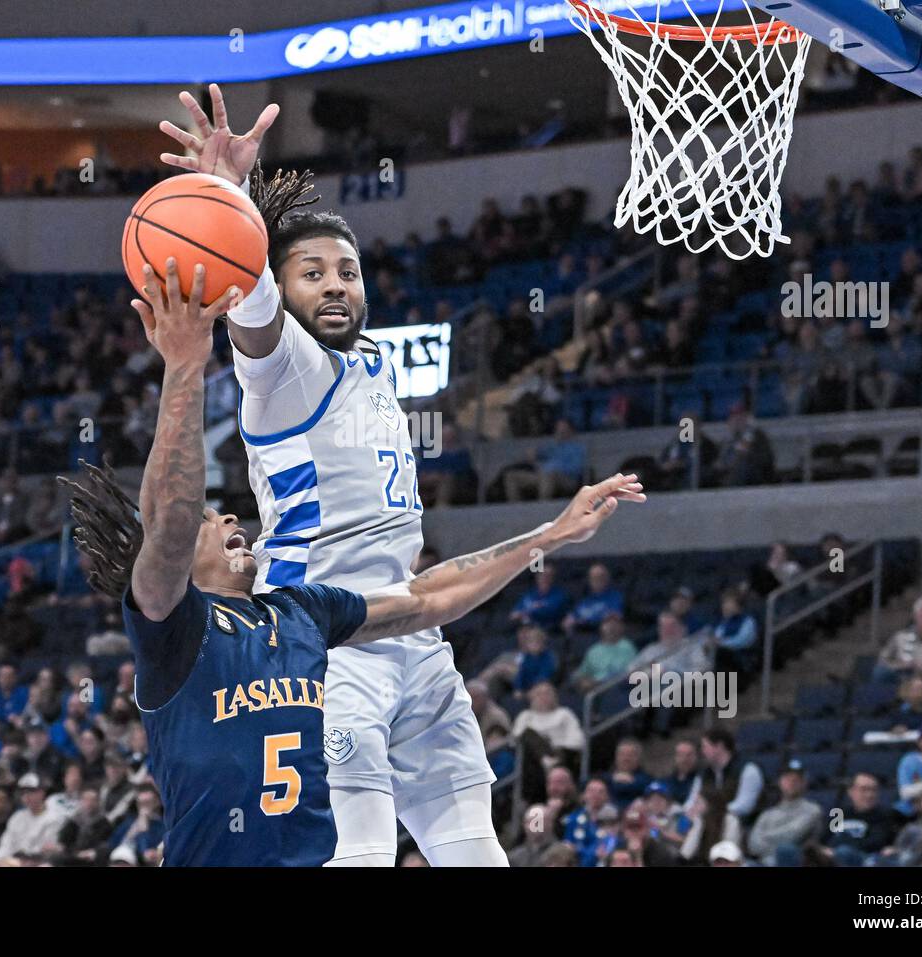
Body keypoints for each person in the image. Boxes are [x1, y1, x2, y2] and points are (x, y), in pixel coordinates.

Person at [152, 84, 646, 867]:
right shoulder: (287, 370)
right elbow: (251, 304)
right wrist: (231, 198)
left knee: (478, 852)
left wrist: (551, 531)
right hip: (327, 649)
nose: (337, 284)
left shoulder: (373, 366)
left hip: (414, 636)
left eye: (347, 270)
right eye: (311, 273)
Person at [60, 247, 645, 866]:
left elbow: (424, 598)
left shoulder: (302, 613)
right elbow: (171, 521)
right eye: (212, 518)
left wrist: (549, 535)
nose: (229, 516)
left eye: (346, 272)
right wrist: (184, 365)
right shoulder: (172, 631)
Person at [747, 759, 823, 865]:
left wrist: (765, 836)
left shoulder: (813, 810)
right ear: (780, 781)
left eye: (797, 779)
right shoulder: (767, 814)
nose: (792, 782)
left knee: (784, 851)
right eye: (788, 778)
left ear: (804, 783)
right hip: (764, 862)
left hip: (797, 862)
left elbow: (792, 835)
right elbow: (753, 845)